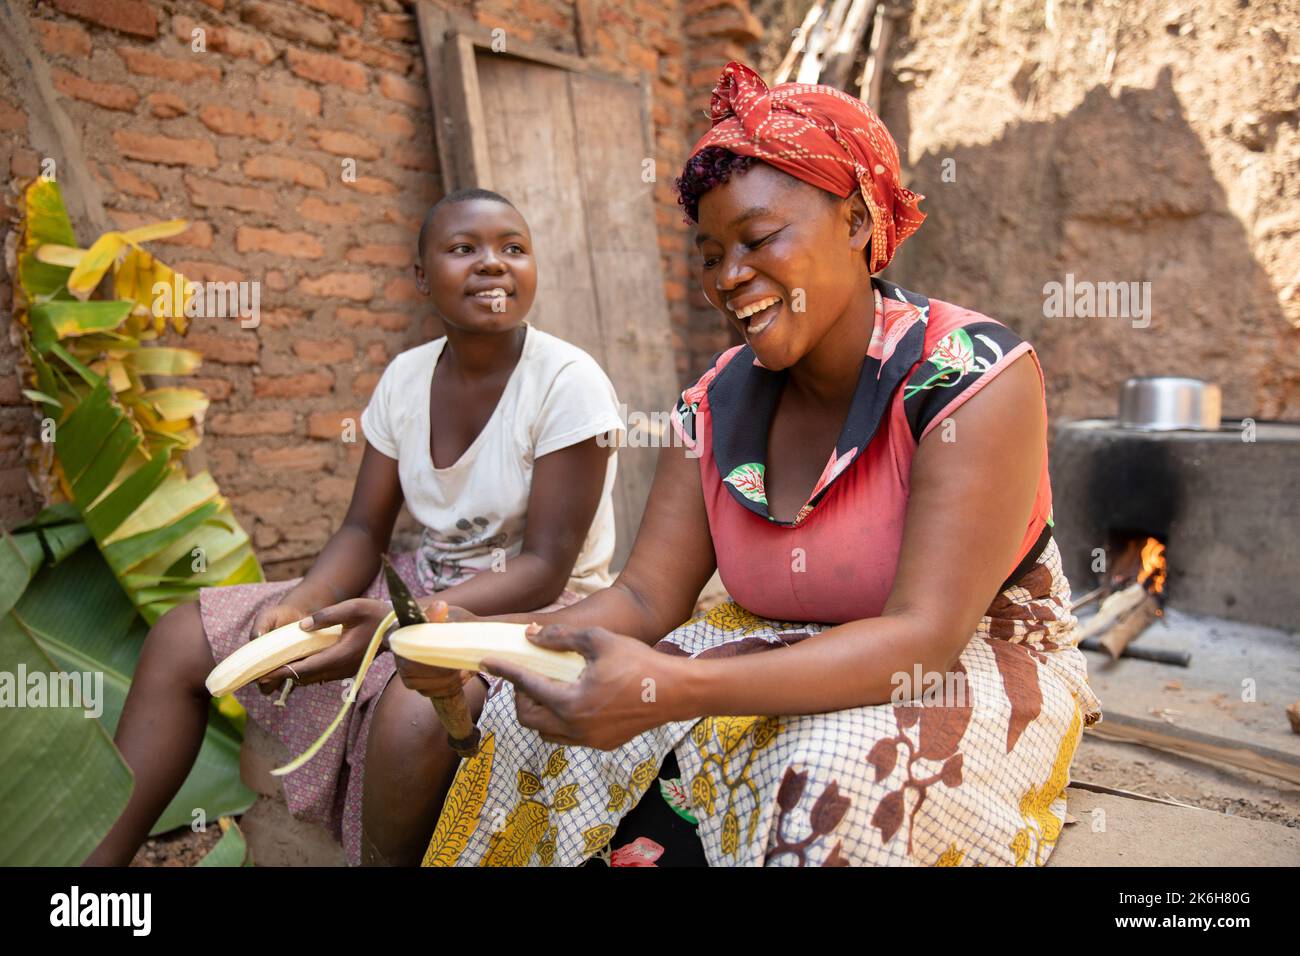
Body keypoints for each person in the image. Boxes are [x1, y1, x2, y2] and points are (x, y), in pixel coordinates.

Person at [398, 64, 1102, 867]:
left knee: (834, 775)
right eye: (710, 254)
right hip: (766, 639)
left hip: (962, 656)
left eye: (760, 240)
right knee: (532, 730)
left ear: (858, 221)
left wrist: (676, 690)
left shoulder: (969, 375)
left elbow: (921, 642)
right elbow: (641, 599)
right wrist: (464, 641)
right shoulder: (714, 403)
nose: (729, 278)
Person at [84, 188, 625, 867]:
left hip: (534, 605)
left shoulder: (568, 383)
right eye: (465, 249)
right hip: (419, 587)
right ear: (422, 278)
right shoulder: (405, 380)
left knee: (414, 709)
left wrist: (404, 628)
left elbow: (546, 564)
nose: (493, 265)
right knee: (182, 637)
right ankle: (94, 879)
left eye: (513, 248)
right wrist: (302, 603)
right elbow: (363, 531)